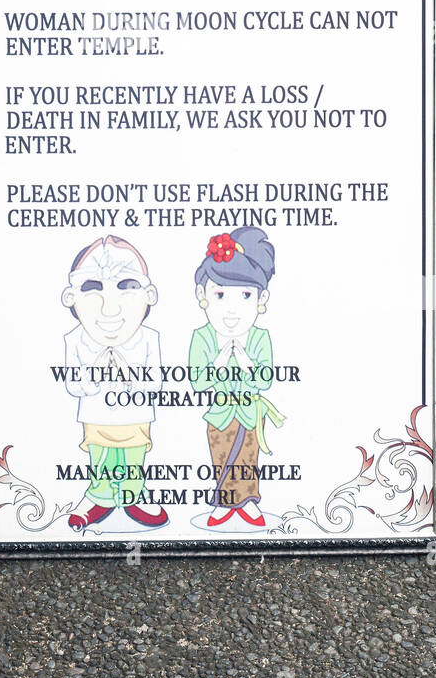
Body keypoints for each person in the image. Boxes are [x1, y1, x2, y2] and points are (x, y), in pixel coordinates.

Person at [62, 235, 169, 531]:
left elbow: (155, 384)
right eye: (92, 288)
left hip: (136, 415)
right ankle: (101, 495)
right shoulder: (76, 340)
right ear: (71, 298)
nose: (110, 308)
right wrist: (95, 372)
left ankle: (133, 493)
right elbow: (74, 384)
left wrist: (130, 376)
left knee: (134, 454)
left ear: (149, 295)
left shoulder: (149, 338)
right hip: (95, 415)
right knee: (100, 454)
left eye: (128, 287)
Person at [188, 227, 285, 528]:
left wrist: (245, 361)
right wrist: (219, 361)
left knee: (248, 458)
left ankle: (248, 503)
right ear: (202, 296)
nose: (232, 309)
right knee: (221, 456)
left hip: (251, 411)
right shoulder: (202, 337)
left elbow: (266, 379)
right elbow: (198, 381)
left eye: (245, 295)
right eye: (220, 294)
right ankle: (223, 503)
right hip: (219, 412)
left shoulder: (259, 337)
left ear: (260, 299)